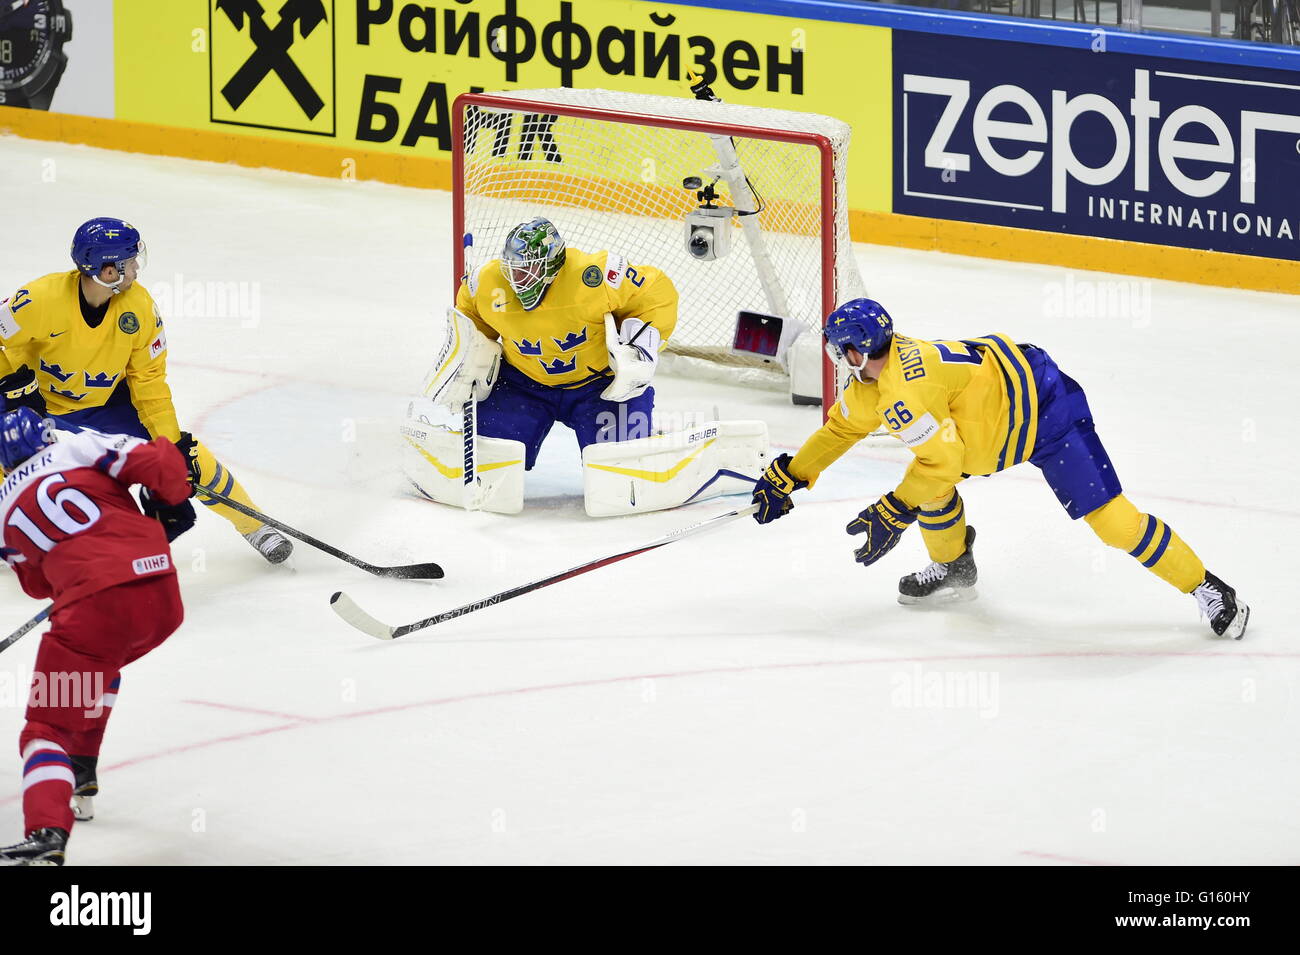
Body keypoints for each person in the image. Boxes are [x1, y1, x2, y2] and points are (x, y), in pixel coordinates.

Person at [750, 298, 1249, 639]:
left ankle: (1207, 585)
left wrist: (893, 509)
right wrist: (792, 473)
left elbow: (940, 462)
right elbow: (842, 430)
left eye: (839, 347)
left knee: (1113, 522)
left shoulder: (905, 392)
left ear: (858, 348)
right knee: (931, 486)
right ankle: (954, 566)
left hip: (1046, 414)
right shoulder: (874, 384)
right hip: (987, 425)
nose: (835, 355)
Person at [0, 217, 291, 562]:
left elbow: (149, 381)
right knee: (10, 454)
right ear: (108, 271)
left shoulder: (138, 310)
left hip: (103, 400)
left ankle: (253, 525)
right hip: (32, 399)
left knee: (186, 458)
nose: (137, 267)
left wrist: (170, 445)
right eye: (129, 261)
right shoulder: (39, 299)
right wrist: (13, 381)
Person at [0, 408, 192, 865]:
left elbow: (36, 587)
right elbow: (163, 469)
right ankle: (81, 765)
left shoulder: (3, 509)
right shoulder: (76, 447)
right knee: (100, 666)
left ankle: (46, 831)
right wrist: (171, 490)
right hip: (162, 595)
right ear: (45, 436)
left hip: (92, 613)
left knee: (46, 728)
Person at [443, 216, 678, 469]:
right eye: (512, 268)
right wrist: (469, 358)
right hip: (523, 385)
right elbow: (468, 318)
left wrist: (640, 343)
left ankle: (648, 441)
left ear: (552, 264)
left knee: (620, 466)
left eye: (527, 269)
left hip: (599, 387)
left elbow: (656, 292)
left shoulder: (595, 275)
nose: (517, 278)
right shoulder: (485, 283)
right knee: (490, 460)